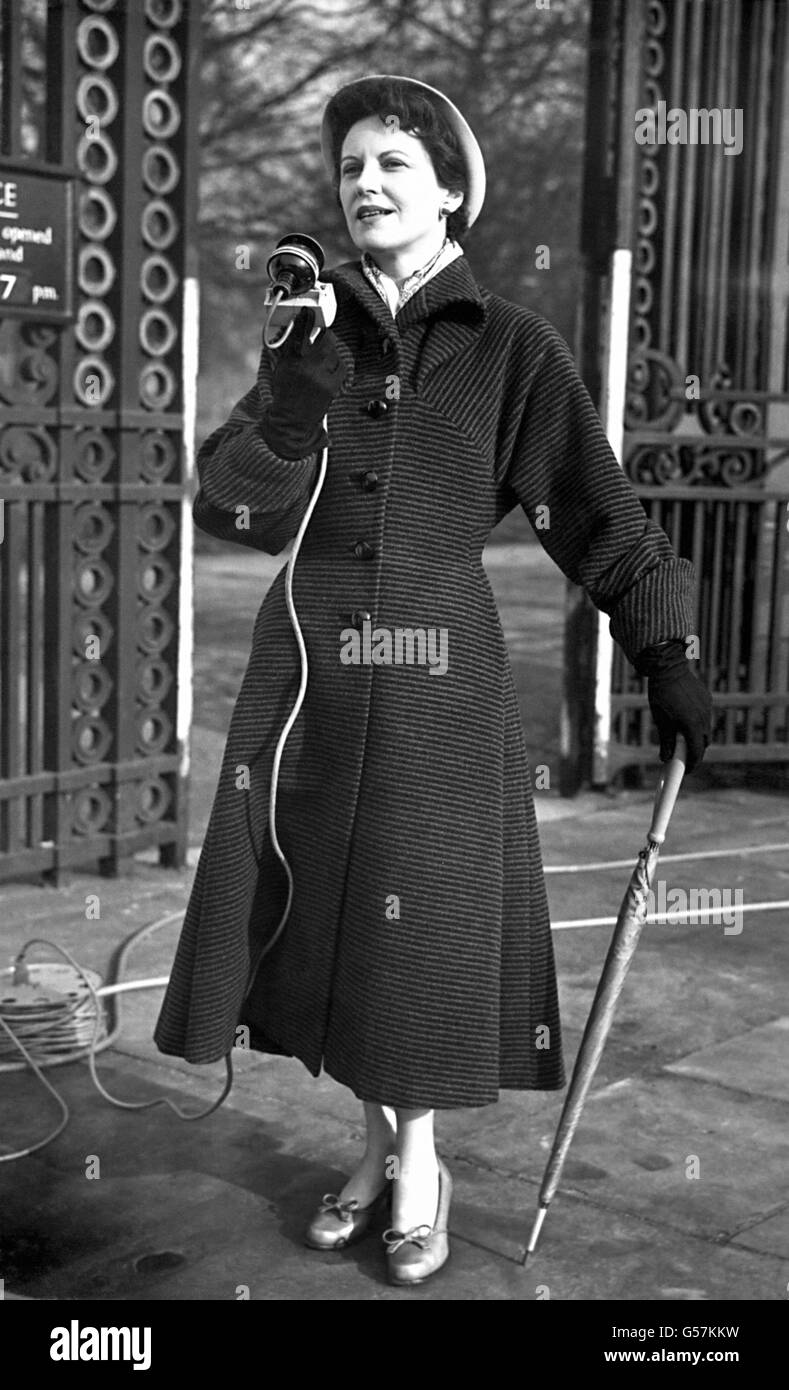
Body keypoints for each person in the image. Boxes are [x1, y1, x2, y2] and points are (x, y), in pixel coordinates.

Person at [154, 74, 712, 1287]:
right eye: (351, 167)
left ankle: (419, 1170)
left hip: (437, 679)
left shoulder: (512, 347)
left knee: (418, 934)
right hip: (307, 679)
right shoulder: (310, 336)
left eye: (394, 165)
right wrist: (294, 410)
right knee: (332, 934)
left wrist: (667, 650)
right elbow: (231, 506)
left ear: (452, 191)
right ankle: (367, 1155)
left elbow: (602, 518)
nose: (365, 185)